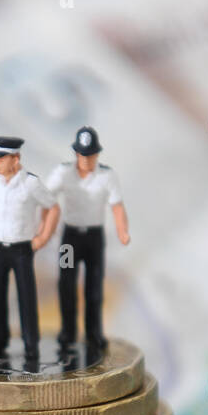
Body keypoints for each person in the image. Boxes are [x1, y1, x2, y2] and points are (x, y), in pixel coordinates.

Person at [0, 135, 59, 362]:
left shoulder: (31, 183)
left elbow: (52, 208)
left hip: (22, 248)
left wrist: (42, 237)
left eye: (2, 158)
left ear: (16, 158)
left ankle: (31, 344)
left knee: (26, 296)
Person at [45, 126, 130, 350]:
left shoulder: (107, 175)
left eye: (91, 155)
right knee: (66, 283)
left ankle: (93, 333)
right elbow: (45, 196)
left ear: (97, 155)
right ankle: (68, 332)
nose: (86, 159)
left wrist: (122, 230)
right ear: (76, 154)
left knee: (94, 286)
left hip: (94, 238)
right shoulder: (63, 173)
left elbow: (117, 206)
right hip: (70, 237)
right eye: (83, 155)